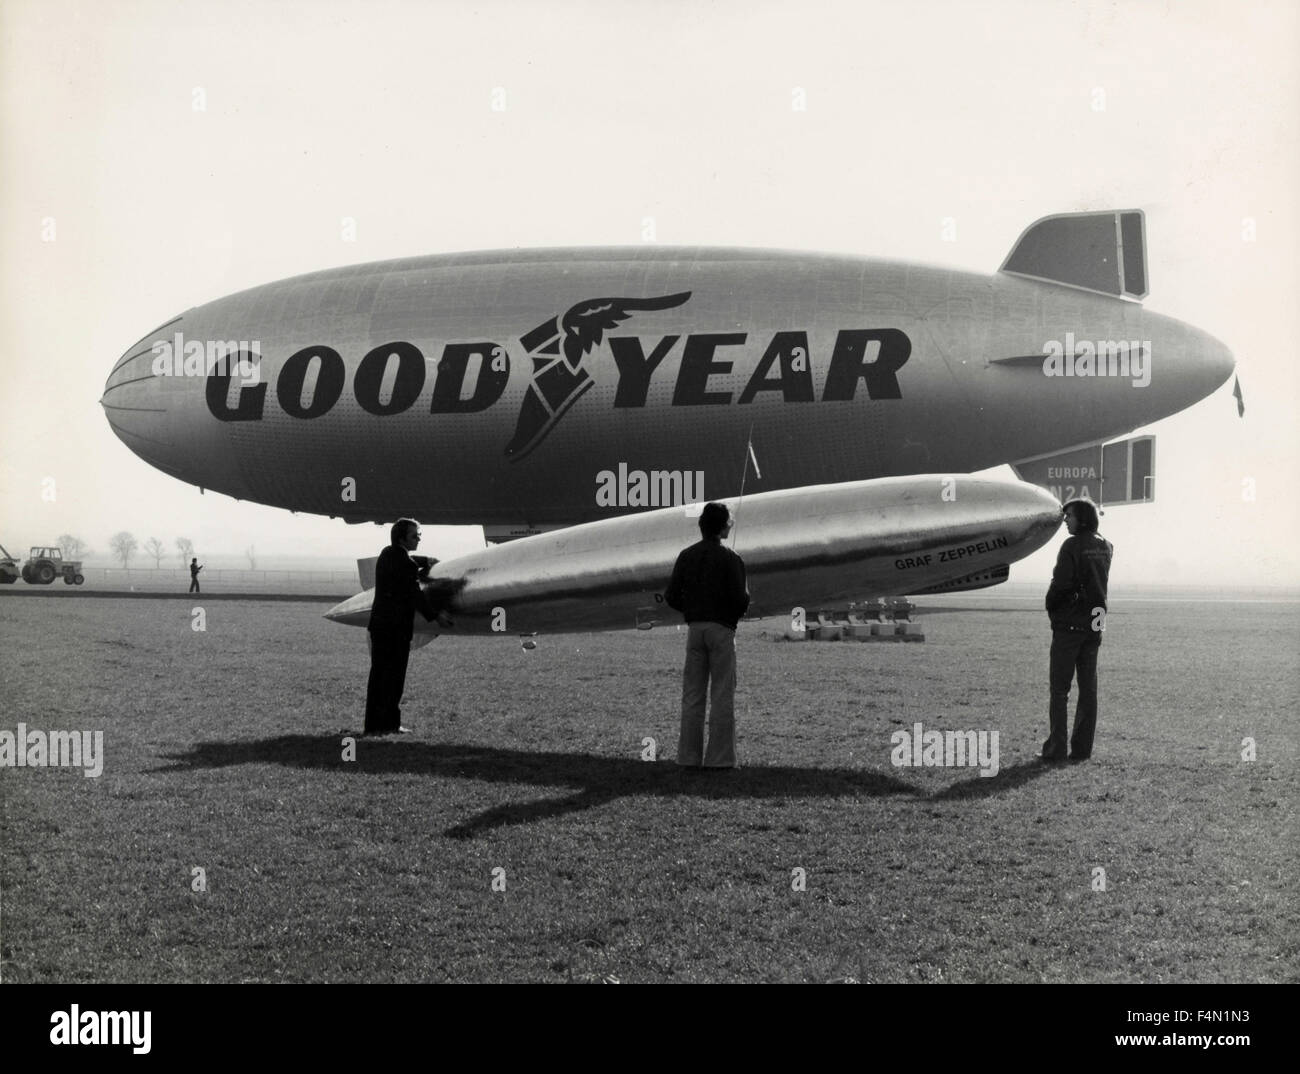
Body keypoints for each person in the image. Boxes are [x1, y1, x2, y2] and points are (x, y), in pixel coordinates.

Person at [664, 502, 750, 769]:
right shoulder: (732, 559)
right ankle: (720, 759)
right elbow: (741, 599)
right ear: (722, 527)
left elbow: (671, 596)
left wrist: (690, 610)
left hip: (695, 630)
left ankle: (688, 757)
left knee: (692, 695)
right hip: (722, 630)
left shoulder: (686, 555)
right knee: (722, 695)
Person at [1042, 498, 1113, 762]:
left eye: (1068, 516)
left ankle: (1056, 748)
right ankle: (1082, 749)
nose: (1065, 521)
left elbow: (1061, 583)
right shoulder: (1106, 546)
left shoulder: (1071, 545)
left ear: (1081, 517)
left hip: (1070, 623)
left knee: (1060, 689)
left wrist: (1051, 606)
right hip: (1096, 621)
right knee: (1088, 688)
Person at [364, 518, 438, 736]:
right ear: (402, 538)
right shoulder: (405, 564)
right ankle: (389, 725)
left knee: (379, 677)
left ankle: (375, 726)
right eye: (415, 535)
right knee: (394, 679)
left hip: (379, 628)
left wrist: (426, 559)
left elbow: (409, 560)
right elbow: (416, 594)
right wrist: (435, 617)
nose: (419, 538)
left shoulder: (387, 554)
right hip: (396, 630)